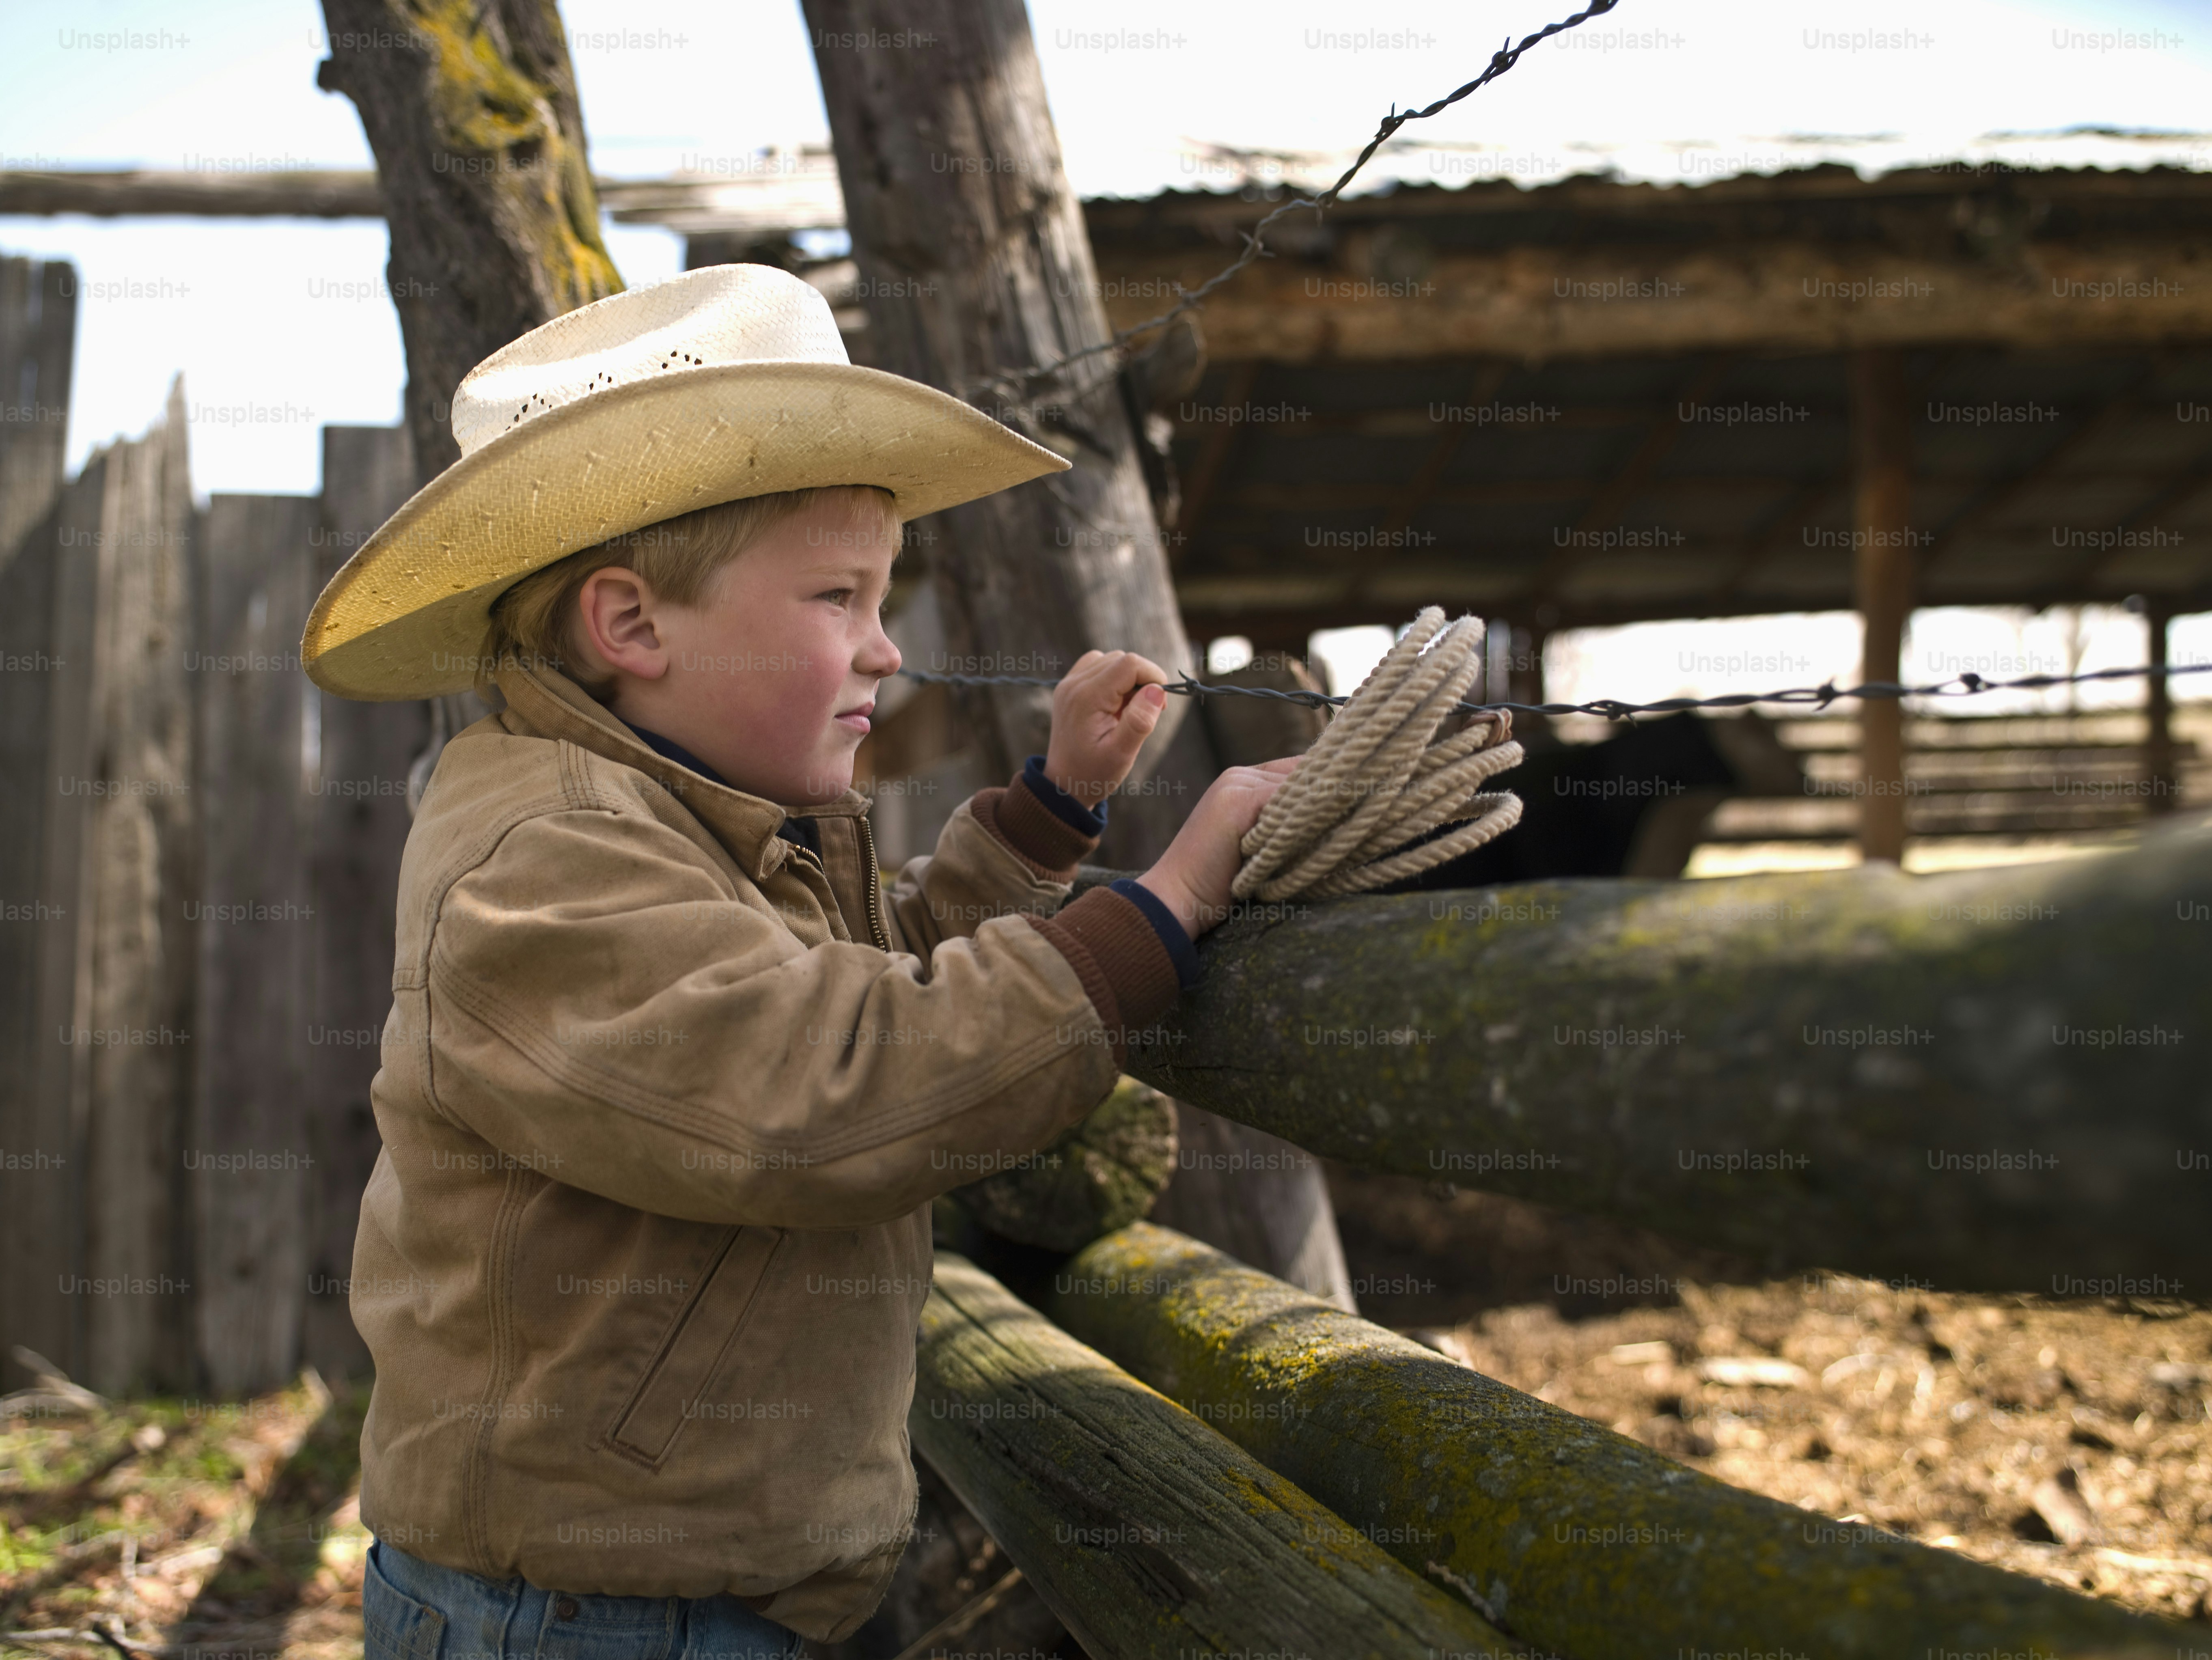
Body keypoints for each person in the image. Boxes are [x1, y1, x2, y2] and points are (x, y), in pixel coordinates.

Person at [301, 264, 1294, 1660]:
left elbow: (859, 988)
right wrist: (1167, 899)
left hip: (688, 1587)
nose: (887, 648)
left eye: (881, 597)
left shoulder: (685, 821)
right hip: (591, 1615)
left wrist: (1044, 816)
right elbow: (825, 1091)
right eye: (840, 596)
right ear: (633, 627)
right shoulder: (542, 863)